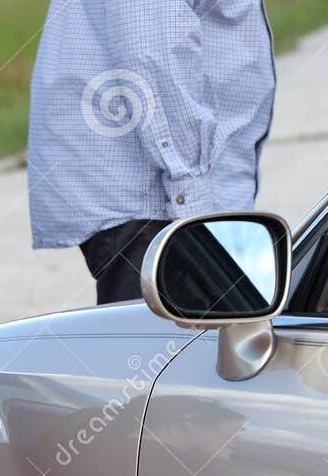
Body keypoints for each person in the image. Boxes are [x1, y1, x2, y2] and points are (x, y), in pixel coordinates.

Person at [27, 0, 276, 304]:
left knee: (200, 344)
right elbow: (151, 56)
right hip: (161, 205)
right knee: (171, 346)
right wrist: (192, 204)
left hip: (169, 199)